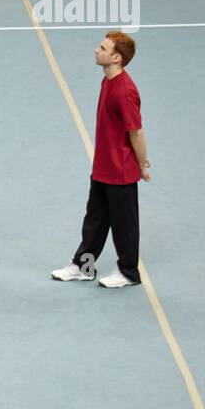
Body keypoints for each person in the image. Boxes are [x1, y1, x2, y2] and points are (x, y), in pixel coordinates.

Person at [51, 32, 148, 288]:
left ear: (116, 57)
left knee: (124, 224)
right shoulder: (107, 81)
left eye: (103, 48)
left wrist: (142, 164)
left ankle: (128, 272)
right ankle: (84, 266)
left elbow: (136, 131)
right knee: (95, 220)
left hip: (121, 170)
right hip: (103, 167)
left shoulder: (125, 91)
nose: (96, 50)